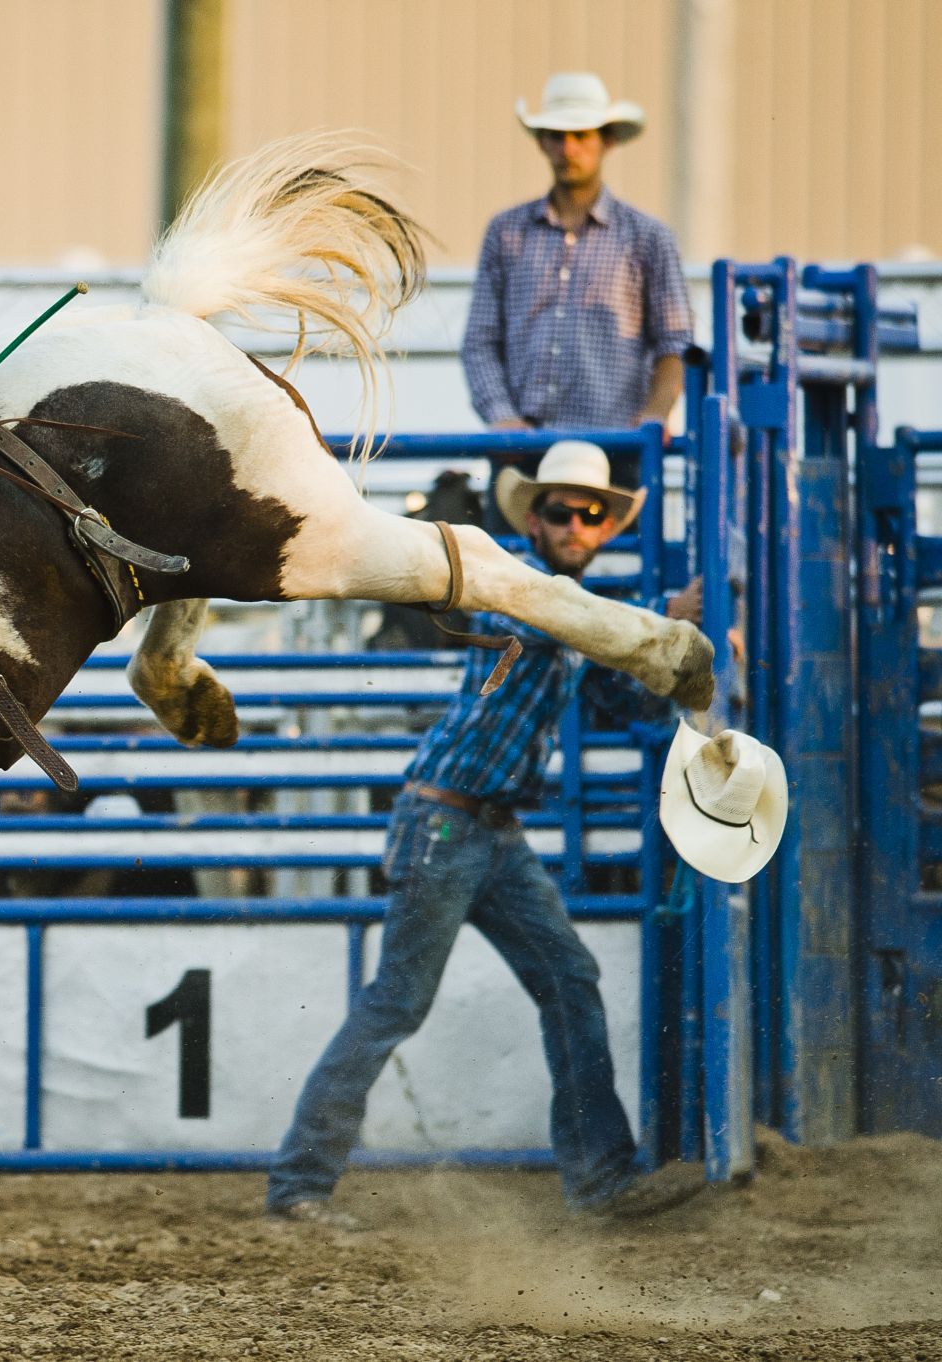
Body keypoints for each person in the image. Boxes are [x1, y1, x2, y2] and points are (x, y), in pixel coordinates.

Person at [266, 440, 705, 1229]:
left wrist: (676, 663)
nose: (575, 522)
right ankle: (300, 1183)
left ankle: (602, 1179)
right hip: (448, 820)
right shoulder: (518, 584)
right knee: (400, 1001)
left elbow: (628, 700)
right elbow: (577, 640)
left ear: (605, 526)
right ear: (533, 519)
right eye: (561, 510)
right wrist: (665, 631)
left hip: (483, 829)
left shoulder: (579, 617)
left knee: (564, 980)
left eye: (591, 512)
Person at [461, 72, 694, 530]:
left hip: (613, 452)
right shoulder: (506, 234)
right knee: (511, 583)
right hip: (524, 449)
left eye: (580, 136)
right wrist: (502, 416)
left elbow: (675, 346)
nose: (569, 149)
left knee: (617, 581)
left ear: (606, 141)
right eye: (557, 136)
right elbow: (480, 342)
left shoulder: (647, 239)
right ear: (543, 142)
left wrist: (653, 415)